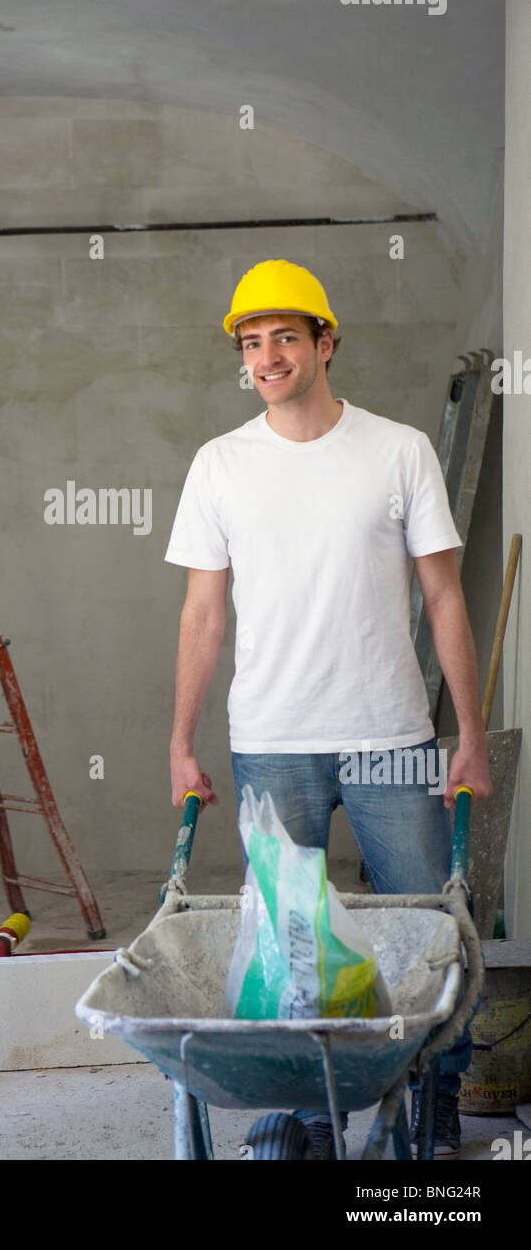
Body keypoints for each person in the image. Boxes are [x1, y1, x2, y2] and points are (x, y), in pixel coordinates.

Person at [164, 258, 492, 1158]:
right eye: (251, 342)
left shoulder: (398, 451)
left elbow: (445, 600)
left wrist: (467, 736)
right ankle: (316, 1109)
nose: (266, 356)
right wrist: (180, 742)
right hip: (271, 742)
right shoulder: (221, 464)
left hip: (394, 738)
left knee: (433, 936)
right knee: (293, 947)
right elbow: (203, 612)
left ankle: (441, 1095)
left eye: (283, 338)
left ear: (326, 342)